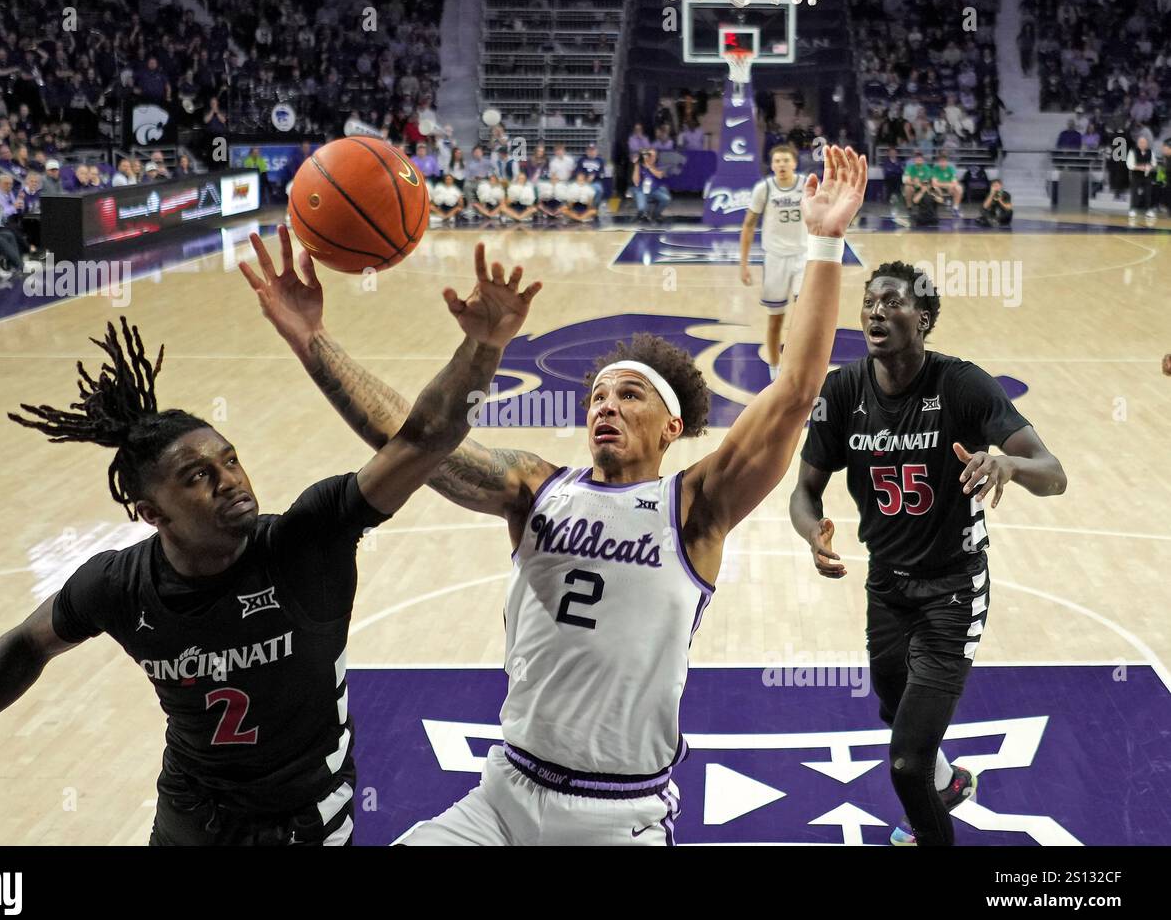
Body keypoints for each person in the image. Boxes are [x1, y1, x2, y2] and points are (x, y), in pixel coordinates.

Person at [289, 146, 868, 846]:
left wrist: (826, 238)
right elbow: (416, 444)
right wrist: (315, 342)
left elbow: (796, 390)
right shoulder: (535, 489)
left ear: (672, 426)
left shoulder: (695, 507)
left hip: (617, 815)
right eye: (598, 396)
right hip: (501, 800)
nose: (607, 406)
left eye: (630, 395)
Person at [0, 232, 543, 847]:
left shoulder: (305, 540)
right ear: (151, 512)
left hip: (308, 816)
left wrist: (482, 348)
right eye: (199, 477)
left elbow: (424, 441)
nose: (230, 480)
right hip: (193, 815)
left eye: (230, 460)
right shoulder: (119, 584)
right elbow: (26, 643)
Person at [789, 261, 1066, 846]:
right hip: (887, 587)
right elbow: (804, 490)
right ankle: (949, 783)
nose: (875, 312)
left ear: (926, 318)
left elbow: (1054, 474)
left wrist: (1009, 464)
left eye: (892, 302)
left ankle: (928, 824)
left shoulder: (961, 385)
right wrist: (812, 532)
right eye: (869, 302)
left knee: (905, 763)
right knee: (893, 707)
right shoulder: (843, 390)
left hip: (953, 589)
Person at [740, 145, 808, 381]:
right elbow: (748, 225)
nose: (781, 164)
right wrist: (744, 264)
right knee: (775, 320)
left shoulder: (807, 185)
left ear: (794, 163)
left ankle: (797, 365)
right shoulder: (764, 189)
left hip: (803, 257)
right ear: (772, 165)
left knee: (803, 315)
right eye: (777, 160)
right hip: (775, 259)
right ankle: (774, 371)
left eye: (785, 160)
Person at [630, 148, 669, 222]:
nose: (651, 158)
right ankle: (640, 215)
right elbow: (636, 182)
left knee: (666, 199)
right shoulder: (640, 166)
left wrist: (649, 166)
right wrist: (636, 165)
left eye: (653, 156)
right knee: (642, 209)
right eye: (649, 155)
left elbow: (659, 175)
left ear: (656, 157)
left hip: (654, 190)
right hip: (641, 191)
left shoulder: (659, 165)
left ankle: (656, 215)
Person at [1127, 135, 1156, 225]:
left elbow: (1154, 163)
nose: (1143, 144)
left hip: (1147, 175)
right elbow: (1130, 165)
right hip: (1136, 175)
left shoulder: (1150, 152)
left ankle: (1148, 210)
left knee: (1148, 192)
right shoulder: (1133, 152)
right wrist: (1140, 167)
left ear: (1147, 144)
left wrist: (1150, 166)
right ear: (1138, 143)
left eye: (1144, 143)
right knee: (1134, 192)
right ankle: (1132, 209)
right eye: (1141, 142)